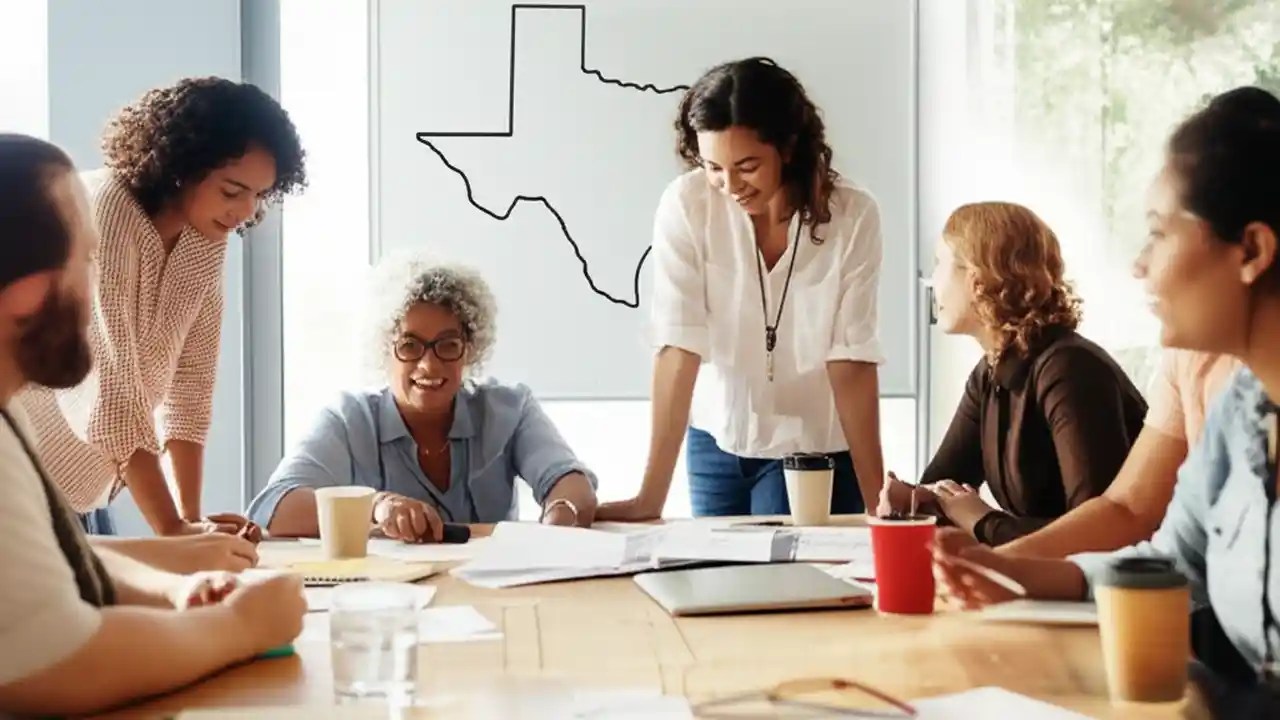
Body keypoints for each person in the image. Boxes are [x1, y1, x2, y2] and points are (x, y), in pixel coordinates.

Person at [934, 86, 1280, 680]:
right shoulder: (1242, 410)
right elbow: (1169, 558)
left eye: (1158, 232)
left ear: (1251, 250)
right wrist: (1009, 570)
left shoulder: (1071, 366)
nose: (1138, 265)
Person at [0, 133, 304, 717]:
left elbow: (51, 559)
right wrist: (239, 626)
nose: (98, 286)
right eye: (88, 259)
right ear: (29, 293)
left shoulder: (5, 413)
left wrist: (175, 578)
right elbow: (62, 658)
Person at [17, 77, 307, 539]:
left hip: (87, 493)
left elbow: (191, 389)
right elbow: (109, 395)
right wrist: (173, 530)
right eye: (233, 191)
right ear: (182, 166)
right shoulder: (107, 211)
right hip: (23, 483)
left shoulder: (205, 237)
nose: (246, 212)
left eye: (258, 195)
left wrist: (193, 520)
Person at [598, 57, 886, 520]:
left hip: (811, 453)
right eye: (713, 166)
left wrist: (879, 504)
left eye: (747, 165)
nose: (728, 185)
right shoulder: (687, 204)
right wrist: (649, 498)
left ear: (788, 147)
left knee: (789, 589)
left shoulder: (854, 216)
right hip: (716, 442)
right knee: (716, 584)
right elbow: (678, 346)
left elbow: (851, 360)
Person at [247, 255, 599, 542]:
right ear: (384, 349)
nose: (429, 364)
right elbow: (276, 508)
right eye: (410, 345)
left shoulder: (509, 408)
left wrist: (560, 522)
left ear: (470, 350)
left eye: (448, 345)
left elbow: (568, 481)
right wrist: (377, 505)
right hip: (391, 601)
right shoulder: (348, 419)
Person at [879, 202, 1147, 546]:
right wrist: (914, 499)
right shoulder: (989, 373)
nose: (932, 282)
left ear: (976, 280)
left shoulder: (1070, 370)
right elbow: (944, 486)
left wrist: (983, 520)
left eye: (939, 263)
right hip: (1051, 586)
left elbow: (1097, 535)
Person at [998, 349, 1237, 558]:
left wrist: (984, 524)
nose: (1150, 294)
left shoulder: (1068, 364)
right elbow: (1128, 509)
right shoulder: (1187, 355)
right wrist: (996, 563)